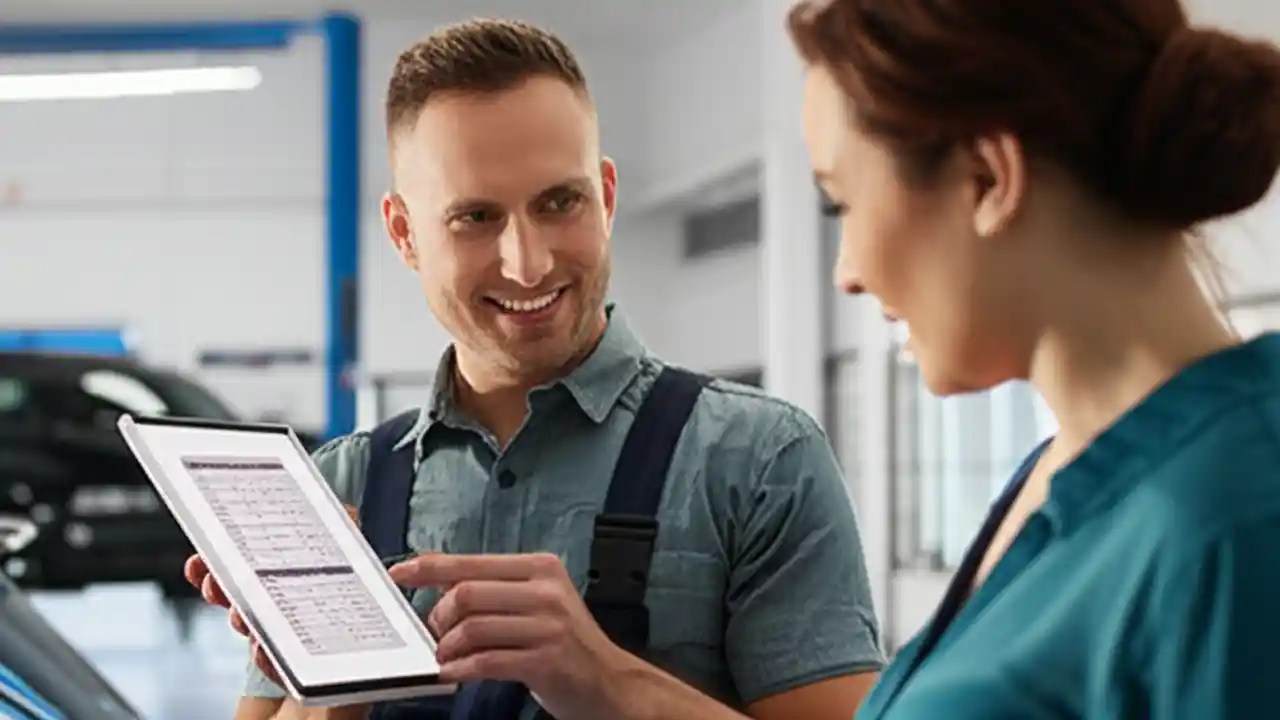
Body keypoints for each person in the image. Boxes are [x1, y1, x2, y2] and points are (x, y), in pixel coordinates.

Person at [185, 17, 884, 720]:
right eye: (476, 217)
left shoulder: (759, 462)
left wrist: (605, 681)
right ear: (404, 233)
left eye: (559, 202)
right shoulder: (341, 490)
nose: (529, 262)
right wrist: (330, 674)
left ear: (606, 198)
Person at [789, 0, 1280, 717]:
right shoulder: (1058, 477)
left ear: (988, 177)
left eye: (843, 206)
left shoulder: (1235, 523)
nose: (847, 272)